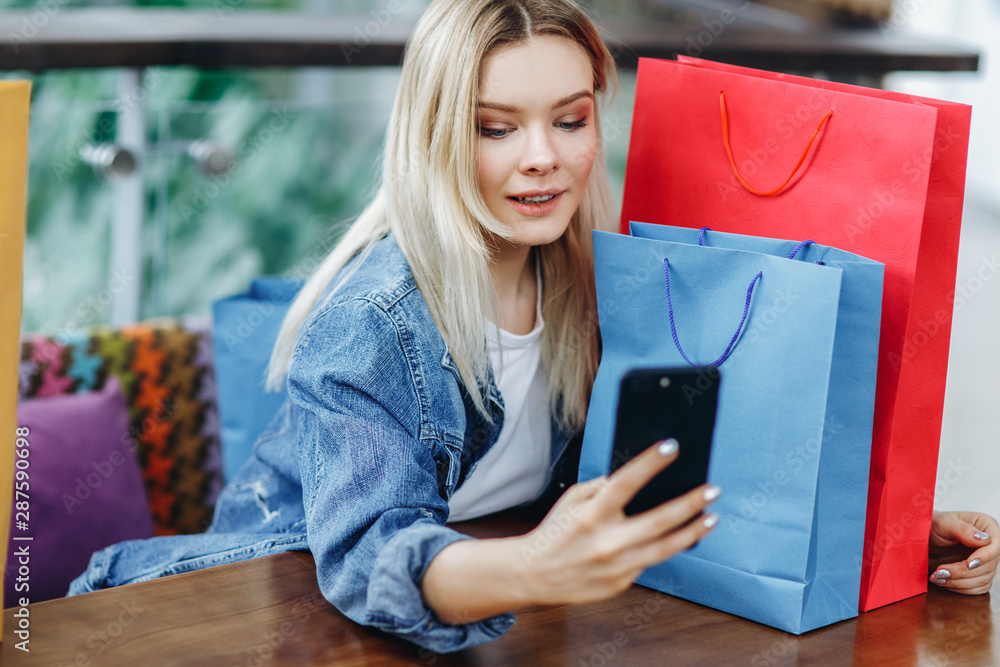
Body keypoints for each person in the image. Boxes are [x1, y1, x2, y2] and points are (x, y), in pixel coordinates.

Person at [69, 0, 998, 653]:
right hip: (252, 609)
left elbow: (678, 483)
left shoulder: (595, 285)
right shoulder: (373, 323)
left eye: (569, 118)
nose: (542, 159)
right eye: (495, 127)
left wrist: (880, 536)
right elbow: (367, 558)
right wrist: (535, 569)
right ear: (438, 134)